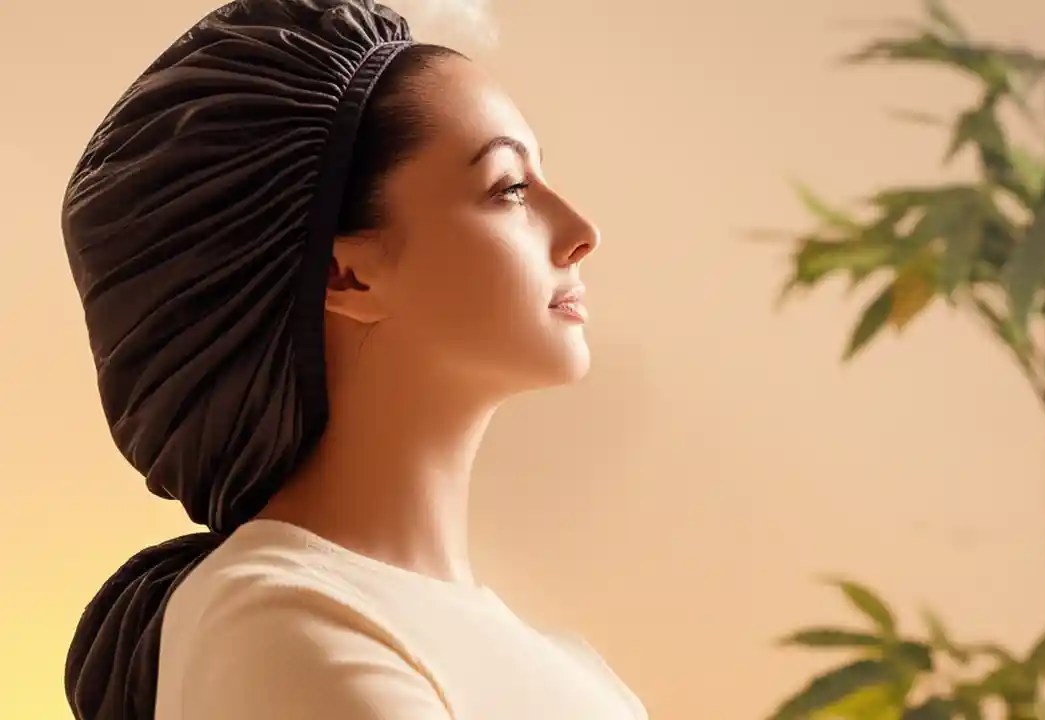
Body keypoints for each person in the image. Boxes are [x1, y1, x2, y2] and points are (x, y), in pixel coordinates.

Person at [59, 1, 646, 718]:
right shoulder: (281, 627)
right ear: (346, 275)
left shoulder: (574, 668)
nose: (582, 232)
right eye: (511, 189)